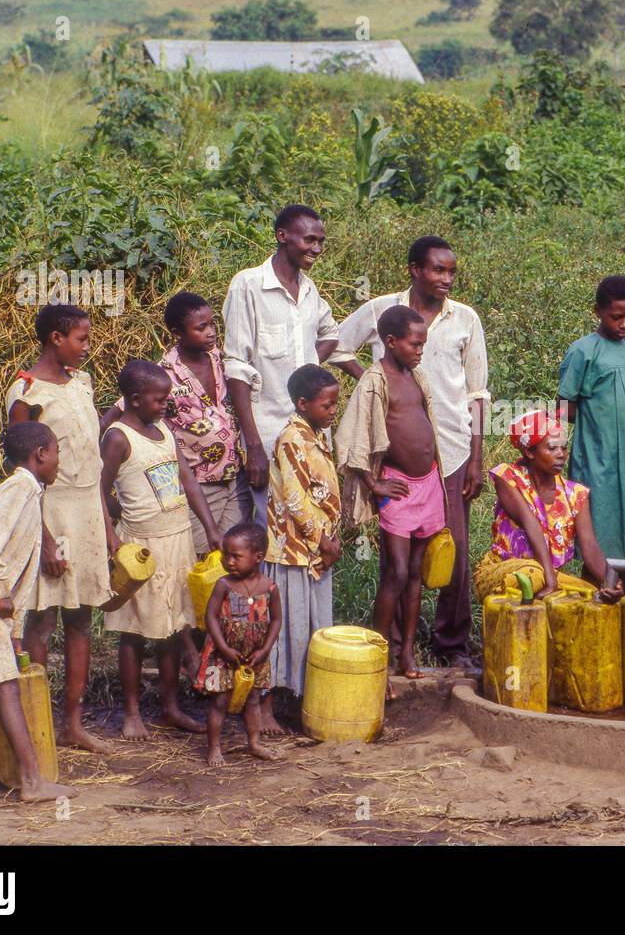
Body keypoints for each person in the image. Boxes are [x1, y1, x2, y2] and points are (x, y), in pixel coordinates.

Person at [330, 236, 489, 666]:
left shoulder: (466, 320)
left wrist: (477, 457)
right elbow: (333, 343)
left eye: (452, 271)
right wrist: (373, 378)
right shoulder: (384, 309)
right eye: (438, 270)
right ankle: (396, 643)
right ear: (415, 270)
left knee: (451, 549)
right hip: (397, 462)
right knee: (398, 561)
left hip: (452, 450)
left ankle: (452, 644)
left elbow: (477, 392)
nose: (447, 279)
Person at [100, 291, 247, 674]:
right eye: (201, 327)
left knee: (209, 573)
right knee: (160, 600)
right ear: (177, 332)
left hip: (227, 479)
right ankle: (190, 654)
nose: (211, 333)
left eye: (213, 324)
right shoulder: (160, 374)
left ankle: (207, 656)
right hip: (178, 499)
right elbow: (117, 416)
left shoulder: (218, 360)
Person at [5, 304, 115, 754]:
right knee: (43, 618)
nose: (87, 346)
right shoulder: (27, 392)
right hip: (51, 513)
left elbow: (92, 461)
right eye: (81, 338)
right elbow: (19, 470)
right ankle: (32, 719)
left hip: (86, 510)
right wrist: (46, 538)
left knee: (81, 617)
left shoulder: (81, 383)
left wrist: (106, 524)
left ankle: (73, 722)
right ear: (55, 338)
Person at [0, 422, 76, 801]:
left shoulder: (30, 491)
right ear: (40, 454)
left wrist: (12, 622)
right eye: (56, 453)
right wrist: (1, 592)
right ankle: (32, 783)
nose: (58, 462)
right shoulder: (18, 488)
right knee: (6, 686)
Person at [100, 360, 221, 740]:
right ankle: (132, 712)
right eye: (159, 399)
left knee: (174, 627)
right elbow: (97, 492)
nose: (166, 405)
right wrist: (112, 540)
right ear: (135, 400)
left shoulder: (163, 430)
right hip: (142, 547)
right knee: (134, 631)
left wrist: (211, 528)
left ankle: (170, 707)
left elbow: (188, 481)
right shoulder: (118, 437)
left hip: (178, 538)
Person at [335, 305, 444, 698]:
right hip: (397, 486)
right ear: (392, 342)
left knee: (416, 572)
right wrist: (372, 482)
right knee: (396, 573)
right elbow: (351, 437)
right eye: (415, 344)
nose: (420, 351)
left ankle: (407, 654)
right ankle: (378, 661)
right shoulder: (373, 381)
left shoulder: (416, 376)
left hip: (428, 483)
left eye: (423, 344)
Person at [223, 204, 340, 522]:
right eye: (309, 240)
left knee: (315, 522)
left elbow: (331, 333)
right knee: (275, 529)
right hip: (271, 435)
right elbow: (235, 367)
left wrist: (311, 361)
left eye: (320, 241)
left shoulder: (309, 289)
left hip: (312, 436)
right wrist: (254, 445)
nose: (316, 249)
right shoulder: (248, 286)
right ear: (282, 236)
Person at [557, 275, 625, 574]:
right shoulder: (583, 350)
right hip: (598, 456)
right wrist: (600, 419)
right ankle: (595, 599)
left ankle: (622, 594)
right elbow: (564, 405)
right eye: (616, 317)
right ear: (598, 312)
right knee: (600, 523)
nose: (624, 324)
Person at [260, 365, 342, 733]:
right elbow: (295, 497)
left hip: (316, 551)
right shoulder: (292, 438)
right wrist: (322, 540)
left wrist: (330, 540)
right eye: (327, 406)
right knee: (283, 630)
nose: (333, 411)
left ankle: (303, 698)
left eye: (336, 404)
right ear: (303, 403)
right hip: (293, 551)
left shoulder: (317, 435)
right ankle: (265, 708)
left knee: (312, 626)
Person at [474, 410, 623, 604]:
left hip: (547, 576)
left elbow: (590, 546)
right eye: (552, 448)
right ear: (529, 452)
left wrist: (611, 581)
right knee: (533, 574)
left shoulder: (575, 494)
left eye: (564, 448)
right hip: (504, 572)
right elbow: (530, 522)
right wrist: (551, 581)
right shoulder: (508, 477)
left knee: (588, 594)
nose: (561, 455)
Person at [196, 522, 283, 766]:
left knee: (253, 698)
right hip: (224, 653)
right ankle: (214, 747)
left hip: (256, 655)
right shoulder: (223, 585)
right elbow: (210, 616)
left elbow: (276, 619)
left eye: (236, 556)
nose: (229, 561)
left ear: (258, 557)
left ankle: (254, 742)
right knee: (220, 701)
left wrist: (265, 649)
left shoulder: (270, 587)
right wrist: (223, 647)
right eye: (226, 555)